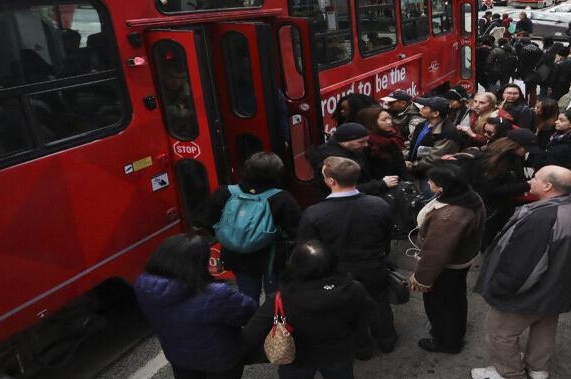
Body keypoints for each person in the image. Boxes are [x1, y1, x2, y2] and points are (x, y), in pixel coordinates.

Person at [242, 241, 371, 379]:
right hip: (338, 353)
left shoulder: (280, 298)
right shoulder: (354, 289)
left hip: (296, 359)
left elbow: (250, 336)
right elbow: (363, 321)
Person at [472, 166, 571, 379]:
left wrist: (500, 289)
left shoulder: (542, 219)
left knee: (500, 332)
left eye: (536, 178)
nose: (531, 180)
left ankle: (509, 373)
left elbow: (523, 264)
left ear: (548, 186)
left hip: (528, 292)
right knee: (544, 328)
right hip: (557, 287)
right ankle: (538, 367)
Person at [135, 233, 258, 379]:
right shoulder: (214, 293)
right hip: (221, 354)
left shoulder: (143, 284)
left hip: (178, 352)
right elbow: (247, 310)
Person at [296, 156, 397, 359]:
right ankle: (386, 340)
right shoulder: (379, 205)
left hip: (337, 270)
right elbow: (386, 236)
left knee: (347, 310)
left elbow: (306, 248)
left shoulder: (314, 213)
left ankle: (362, 348)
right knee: (379, 302)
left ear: (331, 181)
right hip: (373, 265)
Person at [199, 152, 302, 304]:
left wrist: (233, 236)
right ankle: (276, 326)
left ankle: (250, 324)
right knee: (276, 301)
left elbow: (208, 221)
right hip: (272, 258)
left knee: (247, 296)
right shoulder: (283, 198)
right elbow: (295, 230)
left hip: (238, 257)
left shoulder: (224, 193)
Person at [409, 164, 486, 354]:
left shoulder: (450, 216)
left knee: (441, 304)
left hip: (447, 268)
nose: (428, 183)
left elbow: (436, 253)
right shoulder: (468, 195)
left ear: (443, 187)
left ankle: (446, 341)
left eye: (431, 181)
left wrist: (421, 279)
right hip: (461, 261)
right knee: (455, 298)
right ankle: (454, 334)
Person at [458, 129, 538, 249]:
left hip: (499, 207)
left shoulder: (514, 157)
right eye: (525, 148)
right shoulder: (493, 161)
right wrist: (526, 185)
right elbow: (491, 190)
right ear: (513, 145)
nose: (526, 152)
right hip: (488, 208)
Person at [407, 96, 465, 177]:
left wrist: (410, 166)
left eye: (424, 107)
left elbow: (433, 160)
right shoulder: (422, 125)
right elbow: (412, 145)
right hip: (416, 169)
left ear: (435, 114)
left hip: (431, 175)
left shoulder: (447, 133)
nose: (421, 109)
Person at [356, 106, 410, 182]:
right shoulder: (365, 143)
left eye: (389, 118)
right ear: (371, 123)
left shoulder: (394, 137)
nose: (389, 122)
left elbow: (400, 165)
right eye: (384, 120)